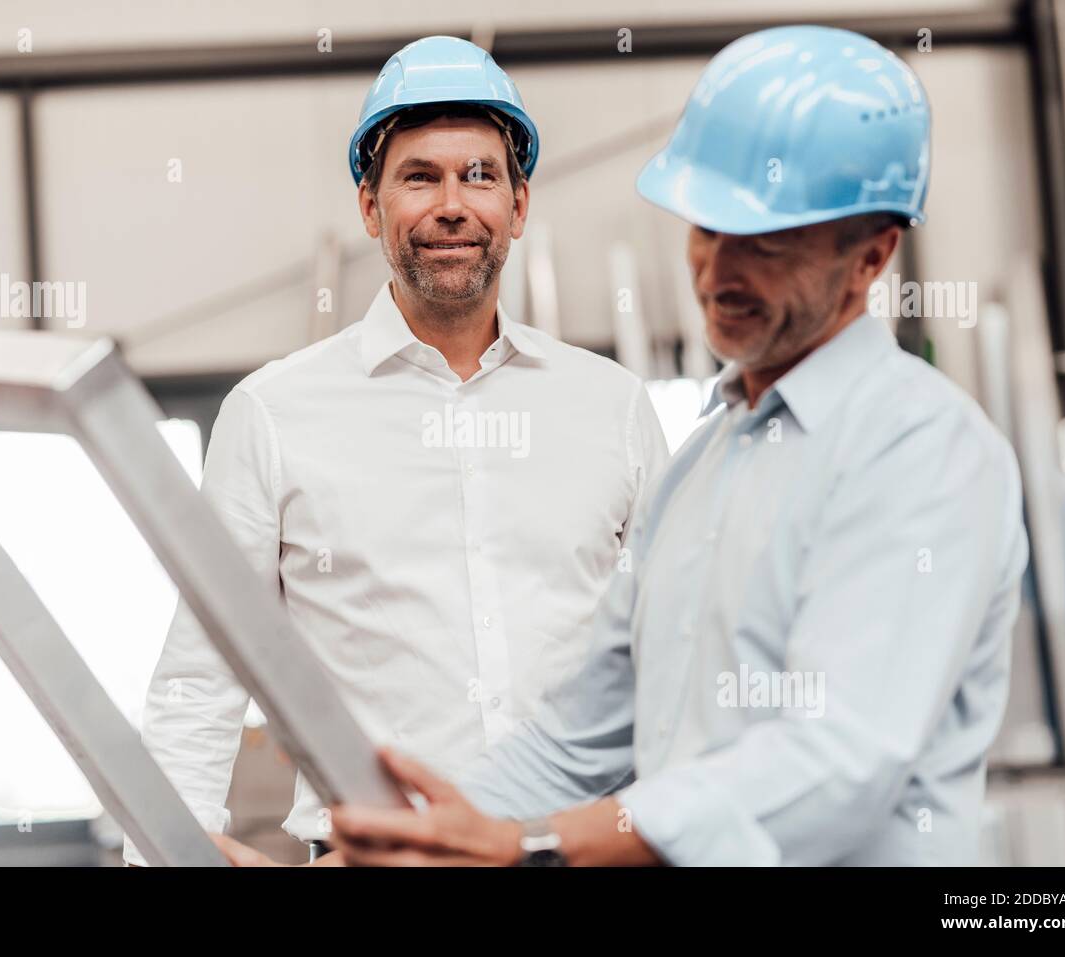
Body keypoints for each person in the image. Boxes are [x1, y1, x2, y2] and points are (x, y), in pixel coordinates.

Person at [314, 24, 1029, 867]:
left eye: (766, 242)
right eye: (707, 228)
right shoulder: (701, 464)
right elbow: (577, 741)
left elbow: (834, 762)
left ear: (872, 254)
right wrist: (369, 860)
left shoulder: (922, 451)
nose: (718, 272)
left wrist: (527, 847)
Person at [125, 35, 669, 867]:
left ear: (519, 209)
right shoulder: (273, 414)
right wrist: (168, 854)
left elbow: (672, 652)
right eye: (419, 176)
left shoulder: (612, 407)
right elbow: (201, 676)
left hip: (575, 849)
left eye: (479, 176)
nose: (452, 205)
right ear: (370, 209)